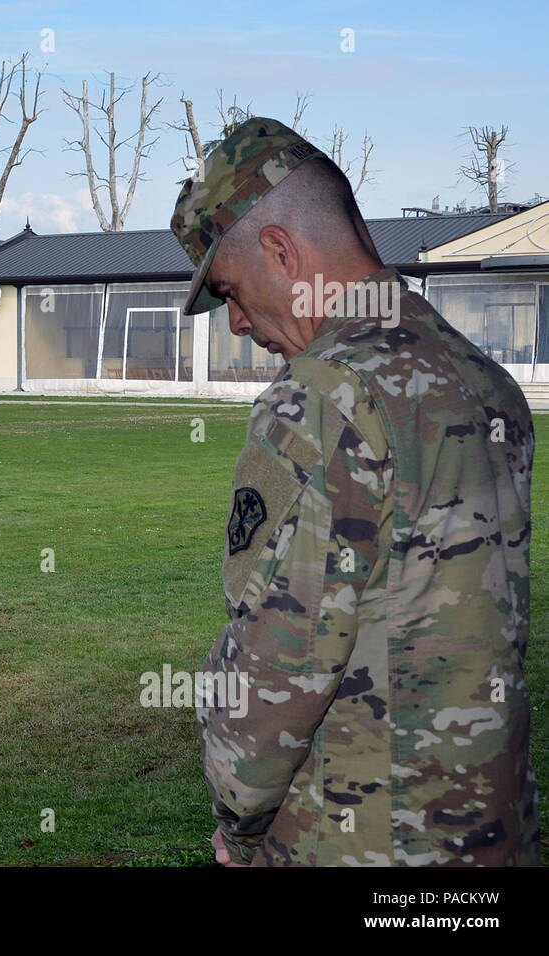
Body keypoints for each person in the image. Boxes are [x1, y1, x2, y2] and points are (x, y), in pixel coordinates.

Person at [169, 117, 539, 868]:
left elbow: (273, 679)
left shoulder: (322, 399)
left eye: (232, 293)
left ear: (280, 250)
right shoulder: (481, 378)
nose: (239, 324)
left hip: (361, 840)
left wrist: (239, 830)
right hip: (490, 833)